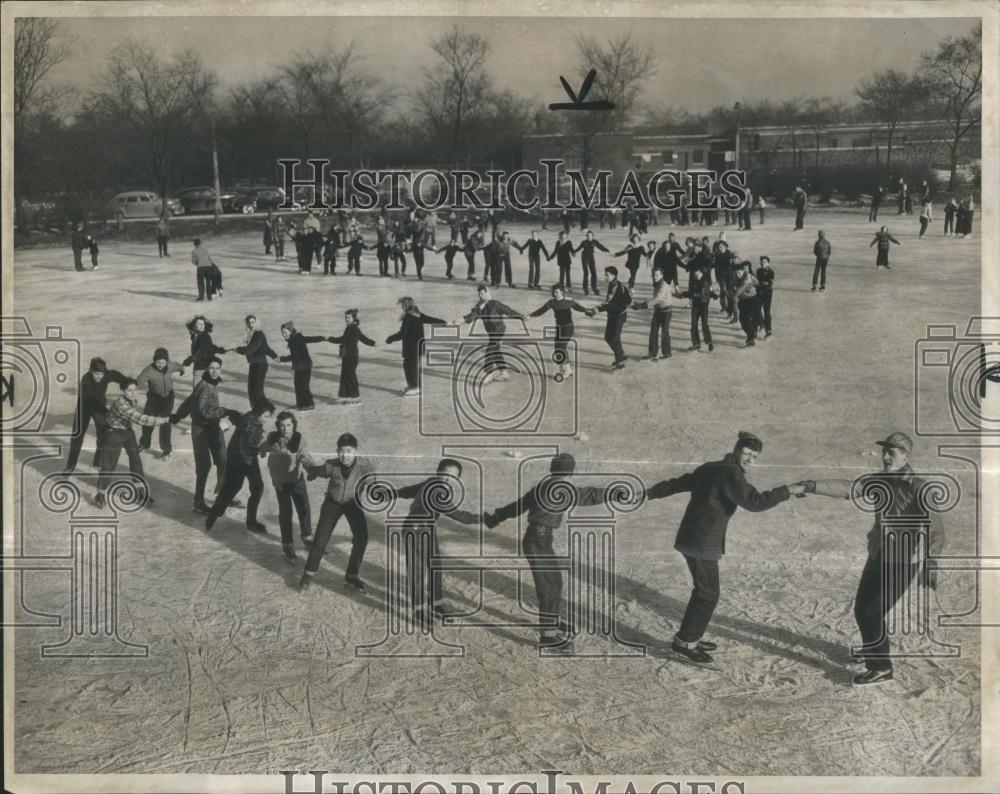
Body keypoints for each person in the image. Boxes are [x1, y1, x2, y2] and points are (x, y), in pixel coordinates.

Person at [792, 432, 945, 685]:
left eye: (892, 453)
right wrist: (811, 485)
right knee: (863, 607)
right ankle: (874, 648)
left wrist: (931, 563)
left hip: (903, 561)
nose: (886, 457)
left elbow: (936, 529)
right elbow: (849, 489)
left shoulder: (919, 487)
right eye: (885, 452)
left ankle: (881, 668)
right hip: (879, 553)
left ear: (905, 456)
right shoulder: (879, 480)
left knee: (870, 611)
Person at [642, 432, 806, 663]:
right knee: (707, 594)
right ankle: (685, 642)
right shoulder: (731, 473)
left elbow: (675, 484)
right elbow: (755, 502)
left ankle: (691, 636)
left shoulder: (709, 468)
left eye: (755, 456)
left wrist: (647, 494)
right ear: (736, 449)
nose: (750, 459)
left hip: (690, 537)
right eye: (747, 453)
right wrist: (788, 490)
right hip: (703, 543)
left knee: (704, 592)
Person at [485, 453, 623, 652]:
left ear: (551, 469)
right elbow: (590, 495)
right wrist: (616, 493)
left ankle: (552, 620)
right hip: (538, 541)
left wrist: (496, 517)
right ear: (570, 472)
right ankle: (548, 637)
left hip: (537, 539)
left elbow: (518, 506)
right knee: (549, 587)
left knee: (555, 583)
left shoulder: (541, 487)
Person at [393, 458, 482, 622]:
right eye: (445, 474)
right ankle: (419, 610)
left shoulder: (433, 483)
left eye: (453, 476)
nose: (448, 479)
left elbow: (412, 490)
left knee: (435, 567)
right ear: (438, 473)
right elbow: (459, 516)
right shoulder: (436, 490)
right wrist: (485, 518)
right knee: (418, 571)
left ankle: (436, 604)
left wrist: (395, 493)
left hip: (428, 527)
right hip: (415, 529)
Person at [299, 433, 375, 593]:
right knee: (320, 540)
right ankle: (308, 575)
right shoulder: (331, 465)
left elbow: (372, 483)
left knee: (361, 538)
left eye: (348, 451)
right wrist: (307, 464)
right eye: (341, 451)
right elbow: (315, 470)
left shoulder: (365, 466)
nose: (344, 455)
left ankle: (352, 575)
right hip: (332, 504)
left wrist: (374, 490)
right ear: (337, 451)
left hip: (353, 504)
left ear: (355, 451)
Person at [170, 357, 234, 513]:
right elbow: (204, 410)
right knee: (204, 465)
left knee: (223, 459)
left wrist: (178, 415)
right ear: (206, 369)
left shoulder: (208, 383)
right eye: (211, 368)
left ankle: (224, 494)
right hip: (201, 430)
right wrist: (225, 411)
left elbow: (190, 400)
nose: (214, 371)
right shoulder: (205, 386)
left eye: (217, 368)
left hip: (213, 427)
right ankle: (198, 502)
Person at [94, 379, 169, 508]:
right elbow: (139, 419)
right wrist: (161, 420)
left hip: (127, 432)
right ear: (122, 391)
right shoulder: (121, 404)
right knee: (109, 464)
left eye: (135, 390)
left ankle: (140, 492)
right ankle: (100, 494)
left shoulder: (132, 400)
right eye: (129, 390)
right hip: (114, 434)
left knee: (136, 461)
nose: (133, 393)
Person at [204, 399, 274, 533]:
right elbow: (244, 449)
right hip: (238, 461)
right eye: (266, 416)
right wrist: (261, 450)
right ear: (257, 414)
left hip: (246, 458)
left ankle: (250, 521)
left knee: (256, 487)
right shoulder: (249, 426)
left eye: (269, 416)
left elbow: (237, 417)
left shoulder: (251, 418)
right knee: (232, 487)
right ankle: (213, 514)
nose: (268, 419)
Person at [63, 357, 130, 475]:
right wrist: (107, 413)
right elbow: (91, 400)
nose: (99, 376)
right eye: (96, 374)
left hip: (100, 407)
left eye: (102, 374)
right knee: (77, 436)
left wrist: (129, 382)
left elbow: (116, 375)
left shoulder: (106, 375)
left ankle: (97, 462)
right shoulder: (86, 380)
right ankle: (70, 465)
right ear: (90, 371)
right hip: (85, 407)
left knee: (103, 434)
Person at [262, 411, 313, 560]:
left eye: (289, 425)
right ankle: (287, 544)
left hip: (296, 480)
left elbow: (304, 455)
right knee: (286, 513)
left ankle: (307, 536)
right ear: (278, 426)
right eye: (282, 425)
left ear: (294, 425)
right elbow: (262, 447)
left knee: (304, 508)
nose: (285, 429)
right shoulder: (273, 439)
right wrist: (260, 451)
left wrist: (309, 466)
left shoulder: (299, 439)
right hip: (281, 483)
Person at [459, 285, 524, 384]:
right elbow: (472, 316)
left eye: (482, 293)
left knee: (490, 350)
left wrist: (522, 317)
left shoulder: (495, 304)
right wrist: (462, 320)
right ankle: (504, 373)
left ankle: (488, 374)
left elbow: (509, 311)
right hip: (491, 333)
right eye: (479, 294)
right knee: (496, 351)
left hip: (499, 331)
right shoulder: (479, 306)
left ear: (487, 293)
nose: (480, 296)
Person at [528, 284, 594, 380]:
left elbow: (578, 307)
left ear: (562, 292)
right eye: (554, 292)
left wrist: (586, 311)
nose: (555, 294)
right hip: (559, 328)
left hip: (568, 328)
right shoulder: (552, 302)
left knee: (562, 348)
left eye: (557, 292)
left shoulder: (568, 301)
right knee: (557, 349)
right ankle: (566, 369)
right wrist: (531, 315)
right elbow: (541, 310)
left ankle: (567, 370)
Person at [385, 297, 445, 397]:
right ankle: (412, 385)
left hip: (412, 347)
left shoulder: (409, 316)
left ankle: (415, 388)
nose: (402, 307)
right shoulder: (417, 314)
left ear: (407, 305)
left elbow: (403, 333)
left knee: (411, 366)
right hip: (416, 346)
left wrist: (391, 338)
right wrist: (441, 322)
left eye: (403, 305)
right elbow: (429, 319)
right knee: (408, 365)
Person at [136, 348, 185, 460]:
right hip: (154, 398)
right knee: (147, 420)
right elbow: (140, 379)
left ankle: (166, 449)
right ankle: (144, 443)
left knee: (165, 421)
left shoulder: (171, 365)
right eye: (158, 362)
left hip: (168, 398)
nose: (160, 365)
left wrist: (181, 371)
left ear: (166, 361)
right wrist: (143, 386)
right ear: (154, 361)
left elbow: (179, 366)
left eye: (163, 362)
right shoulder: (149, 370)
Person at [328, 309, 377, 405]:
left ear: (353, 318)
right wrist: (372, 343)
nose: (346, 319)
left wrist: (329, 339)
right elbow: (362, 338)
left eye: (348, 317)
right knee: (344, 375)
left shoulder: (352, 328)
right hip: (347, 355)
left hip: (351, 356)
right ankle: (344, 395)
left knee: (350, 376)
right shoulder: (351, 327)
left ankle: (355, 397)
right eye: (346, 317)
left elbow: (342, 340)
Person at [632, 266, 678, 360]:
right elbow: (670, 291)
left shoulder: (663, 285)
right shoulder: (658, 284)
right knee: (653, 331)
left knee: (665, 332)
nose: (654, 277)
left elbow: (657, 299)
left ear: (662, 275)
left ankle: (667, 353)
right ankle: (652, 352)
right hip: (658, 311)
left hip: (666, 312)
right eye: (654, 275)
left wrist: (641, 306)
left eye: (657, 275)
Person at [279, 322, 325, 411]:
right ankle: (300, 404)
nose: (284, 334)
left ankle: (309, 404)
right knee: (298, 385)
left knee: (303, 385)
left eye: (285, 332)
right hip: (299, 366)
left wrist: (282, 359)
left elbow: (294, 355)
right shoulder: (294, 338)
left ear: (290, 331)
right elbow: (309, 339)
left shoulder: (296, 338)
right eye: (282, 333)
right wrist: (321, 338)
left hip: (304, 365)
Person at [235, 315, 278, 407]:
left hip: (260, 364)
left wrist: (239, 349)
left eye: (253, 322)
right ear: (246, 324)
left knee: (256, 390)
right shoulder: (251, 335)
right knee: (252, 388)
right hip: (255, 363)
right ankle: (257, 409)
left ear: (256, 323)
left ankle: (264, 409)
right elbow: (265, 347)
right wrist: (273, 356)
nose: (251, 325)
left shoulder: (258, 334)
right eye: (249, 323)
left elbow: (250, 350)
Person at [596, 266, 632, 371]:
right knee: (608, 337)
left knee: (614, 339)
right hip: (612, 315)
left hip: (619, 316)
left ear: (614, 275)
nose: (605, 277)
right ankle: (621, 354)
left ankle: (620, 363)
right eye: (605, 275)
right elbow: (610, 300)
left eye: (607, 275)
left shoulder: (617, 286)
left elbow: (610, 302)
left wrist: (597, 309)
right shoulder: (613, 285)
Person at [678, 265, 717, 353]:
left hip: (703, 306)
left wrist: (685, 294)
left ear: (702, 273)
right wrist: (684, 294)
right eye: (695, 274)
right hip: (695, 306)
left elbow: (701, 294)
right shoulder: (693, 282)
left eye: (698, 274)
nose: (697, 276)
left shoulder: (705, 282)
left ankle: (709, 342)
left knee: (704, 325)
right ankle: (696, 343)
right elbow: (692, 292)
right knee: (693, 325)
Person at [182, 315, 227, 386]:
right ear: (194, 326)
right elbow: (209, 346)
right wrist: (219, 350)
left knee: (198, 388)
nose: (202, 325)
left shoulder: (203, 336)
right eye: (199, 324)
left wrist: (189, 360)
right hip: (205, 365)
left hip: (201, 367)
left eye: (203, 324)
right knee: (205, 387)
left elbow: (200, 351)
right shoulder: (198, 336)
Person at [573, 230, 610, 296]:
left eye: (590, 235)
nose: (589, 236)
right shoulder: (584, 242)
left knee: (594, 273)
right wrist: (574, 252)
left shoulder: (594, 242)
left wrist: (608, 251)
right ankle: (585, 288)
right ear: (586, 236)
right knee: (586, 272)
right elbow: (579, 248)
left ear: (593, 236)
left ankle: (594, 288)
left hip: (591, 257)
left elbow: (601, 247)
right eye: (588, 235)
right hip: (584, 257)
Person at [732, 261, 760, 347]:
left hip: (751, 300)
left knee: (747, 319)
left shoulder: (747, 278)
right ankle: (751, 335)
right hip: (743, 300)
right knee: (742, 320)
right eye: (736, 273)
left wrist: (753, 284)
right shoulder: (735, 277)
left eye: (739, 272)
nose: (738, 275)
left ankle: (751, 338)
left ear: (743, 271)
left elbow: (738, 292)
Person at [755, 256, 775, 339]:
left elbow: (769, 283)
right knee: (756, 309)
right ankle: (761, 324)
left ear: (768, 263)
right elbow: (757, 281)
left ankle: (768, 331)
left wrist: (763, 283)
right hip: (759, 293)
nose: (763, 264)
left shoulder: (771, 272)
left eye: (765, 262)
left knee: (767, 312)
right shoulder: (758, 271)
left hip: (767, 294)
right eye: (762, 262)